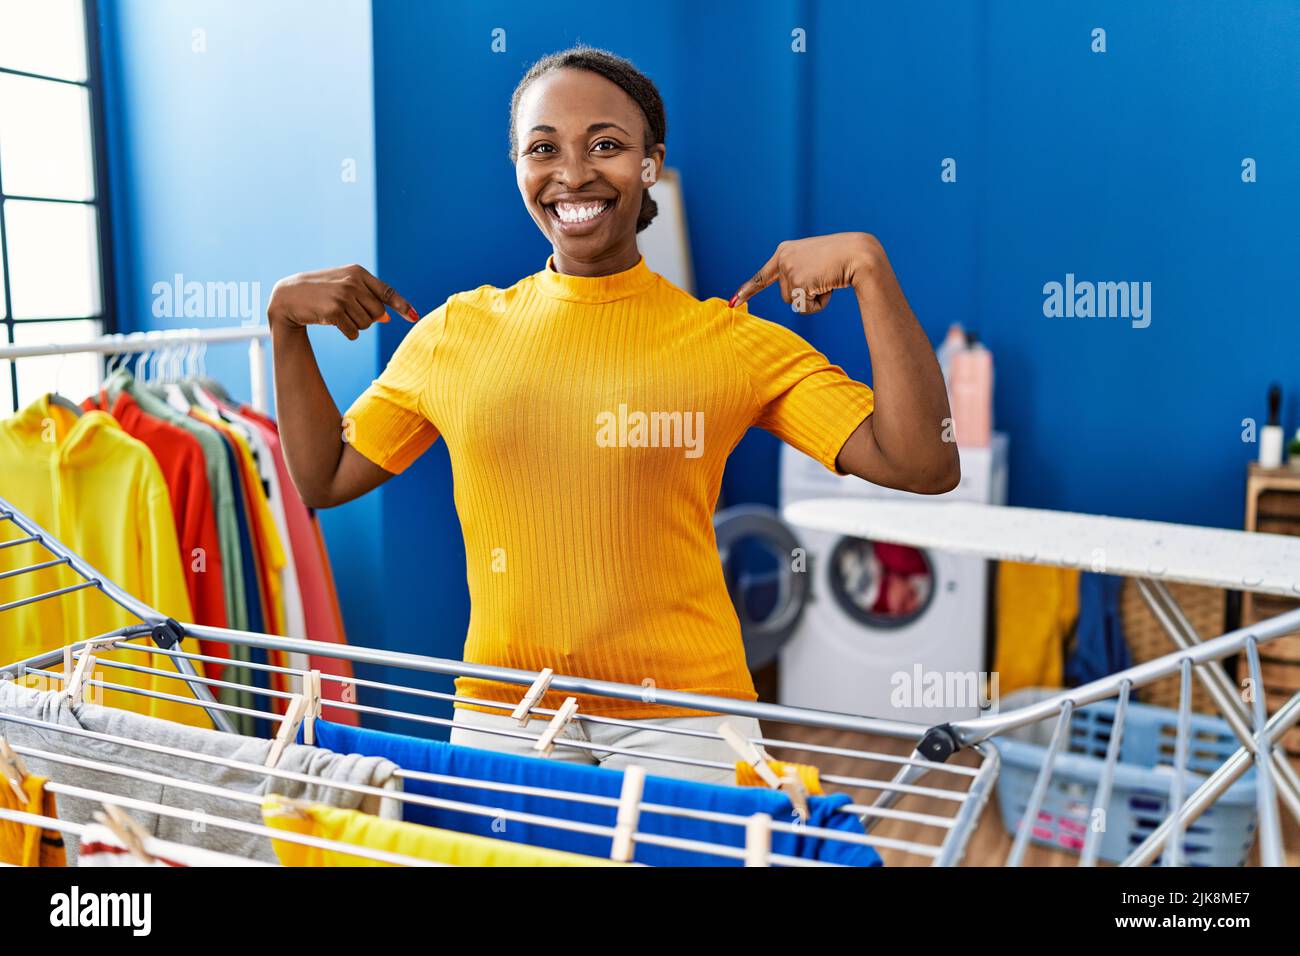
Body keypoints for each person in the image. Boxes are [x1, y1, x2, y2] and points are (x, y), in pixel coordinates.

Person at [266, 46, 958, 785]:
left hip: (688, 719)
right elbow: (324, 479)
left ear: (651, 163)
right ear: (518, 167)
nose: (572, 173)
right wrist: (285, 326)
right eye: (543, 149)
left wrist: (869, 268)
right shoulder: (454, 335)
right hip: (507, 714)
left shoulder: (728, 340)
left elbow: (923, 462)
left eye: (606, 145)